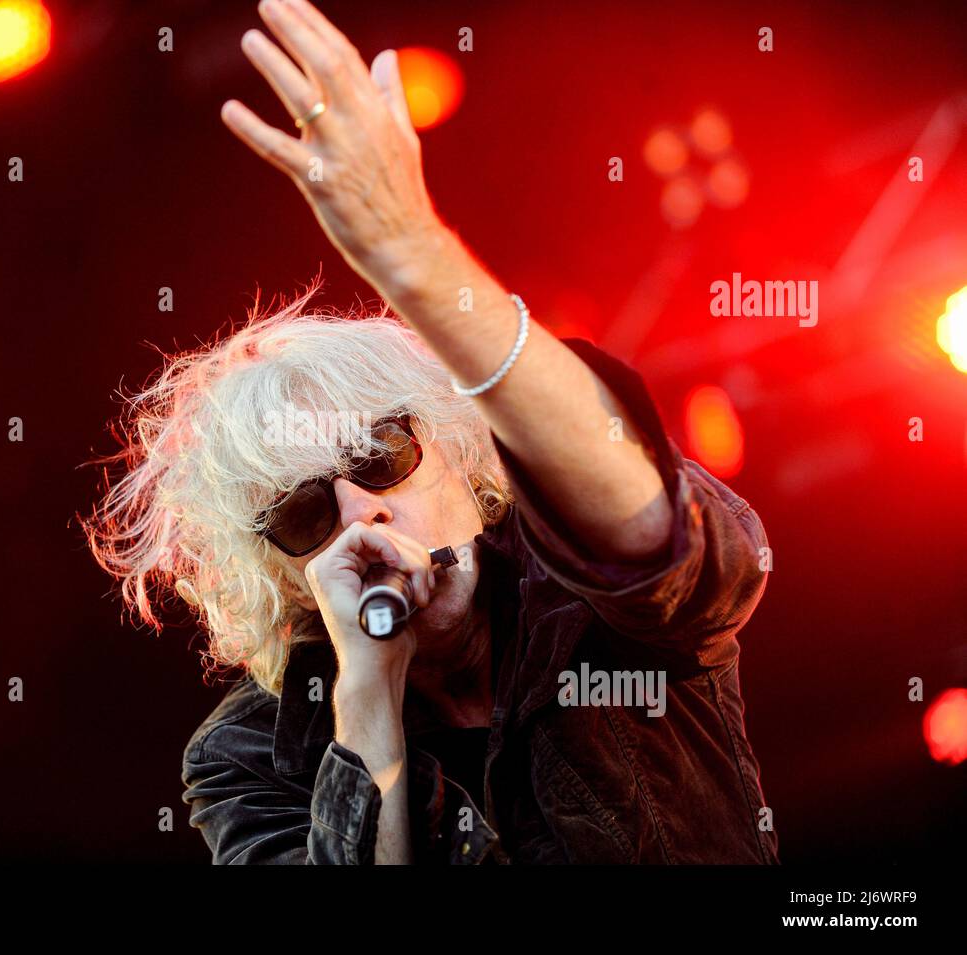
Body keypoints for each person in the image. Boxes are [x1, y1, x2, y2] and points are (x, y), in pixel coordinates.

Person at [84, 0, 778, 864]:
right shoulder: (244, 759)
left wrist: (408, 249)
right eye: (306, 516)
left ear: (457, 449)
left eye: (383, 456)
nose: (359, 517)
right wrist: (368, 688)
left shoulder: (585, 603)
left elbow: (673, 551)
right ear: (286, 578)